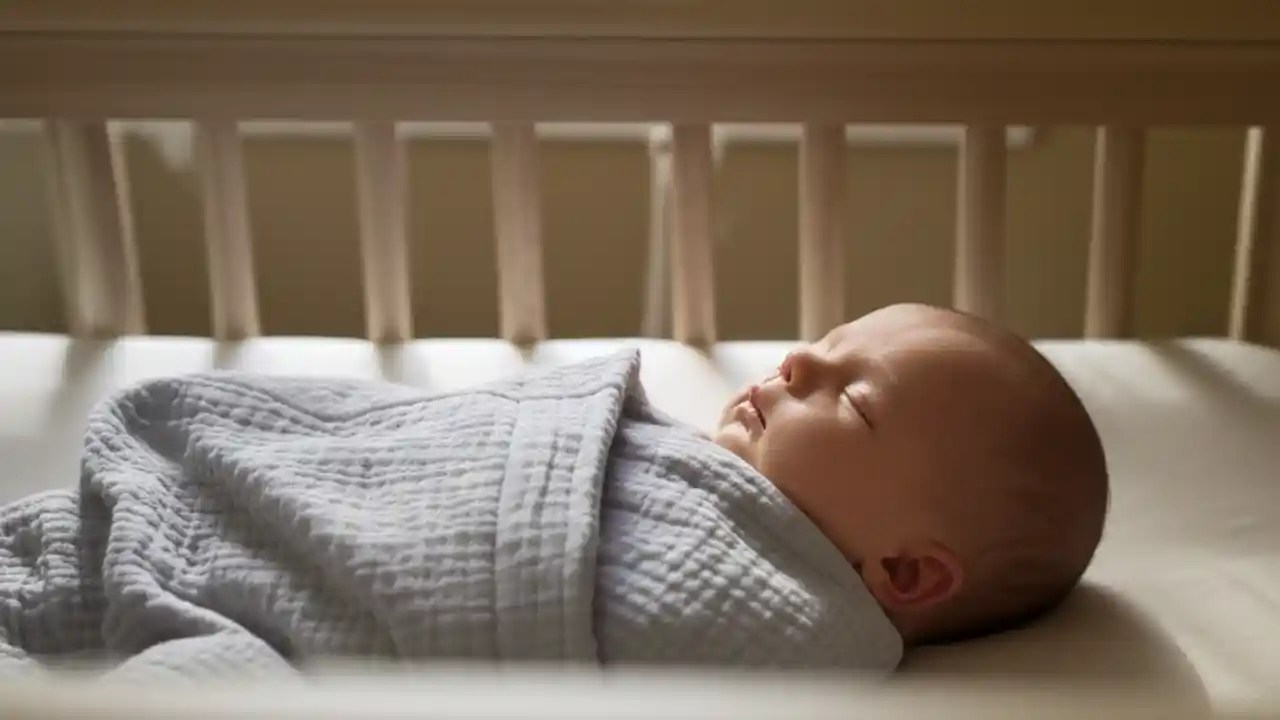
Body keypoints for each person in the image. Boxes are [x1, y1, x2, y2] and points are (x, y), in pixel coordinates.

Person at [713, 303, 1110, 645]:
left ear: (904, 572)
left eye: (854, 401)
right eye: (825, 343)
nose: (797, 361)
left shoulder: (780, 637)